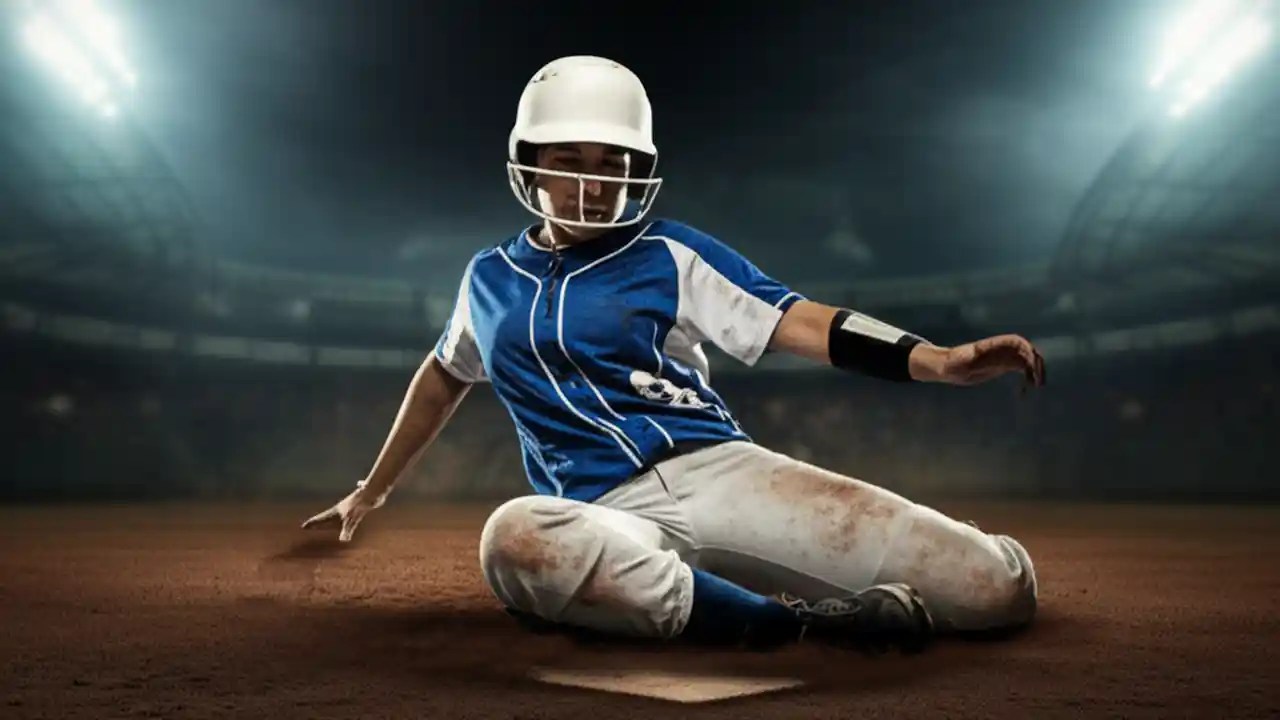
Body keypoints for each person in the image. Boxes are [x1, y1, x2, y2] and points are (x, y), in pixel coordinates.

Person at [303, 55, 1046, 653]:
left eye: (614, 161)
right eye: (571, 160)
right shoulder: (487, 278)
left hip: (715, 471)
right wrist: (374, 487)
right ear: (528, 165)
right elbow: (443, 375)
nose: (596, 184)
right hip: (596, 510)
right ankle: (796, 619)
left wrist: (937, 361)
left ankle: (942, 549)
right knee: (515, 538)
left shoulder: (669, 251)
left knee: (994, 594)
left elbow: (802, 322)